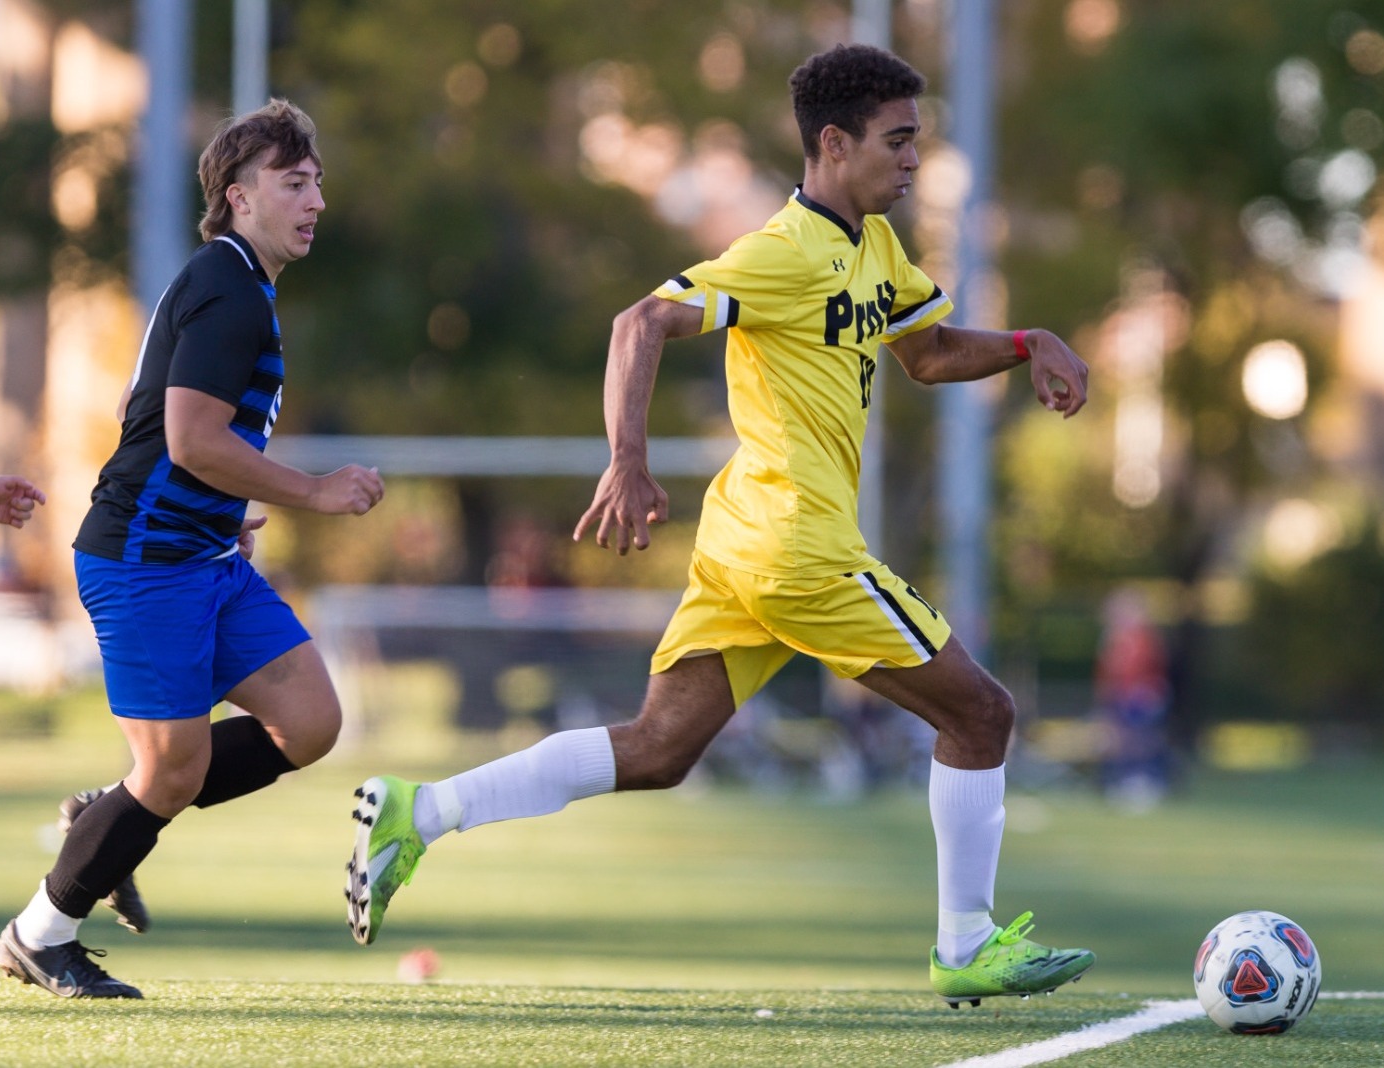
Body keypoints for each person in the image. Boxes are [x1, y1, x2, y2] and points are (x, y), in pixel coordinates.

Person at [346, 43, 1096, 1006]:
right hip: (799, 550)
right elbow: (638, 324)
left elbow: (930, 351)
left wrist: (1032, 342)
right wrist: (626, 458)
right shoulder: (780, 251)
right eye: (897, 141)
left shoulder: (874, 247)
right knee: (981, 713)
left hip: (746, 542)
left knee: (659, 750)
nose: (913, 160)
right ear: (833, 143)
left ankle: (423, 810)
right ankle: (964, 942)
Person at [0, 100, 385, 1000]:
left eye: (317, 180)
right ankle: (39, 934)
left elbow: (197, 447)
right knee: (173, 770)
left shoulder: (242, 283)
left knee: (311, 723)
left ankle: (110, 814)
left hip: (204, 556)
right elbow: (191, 442)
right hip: (143, 563)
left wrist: (229, 511)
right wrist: (315, 492)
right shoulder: (226, 286)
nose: (316, 198)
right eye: (294, 183)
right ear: (239, 198)